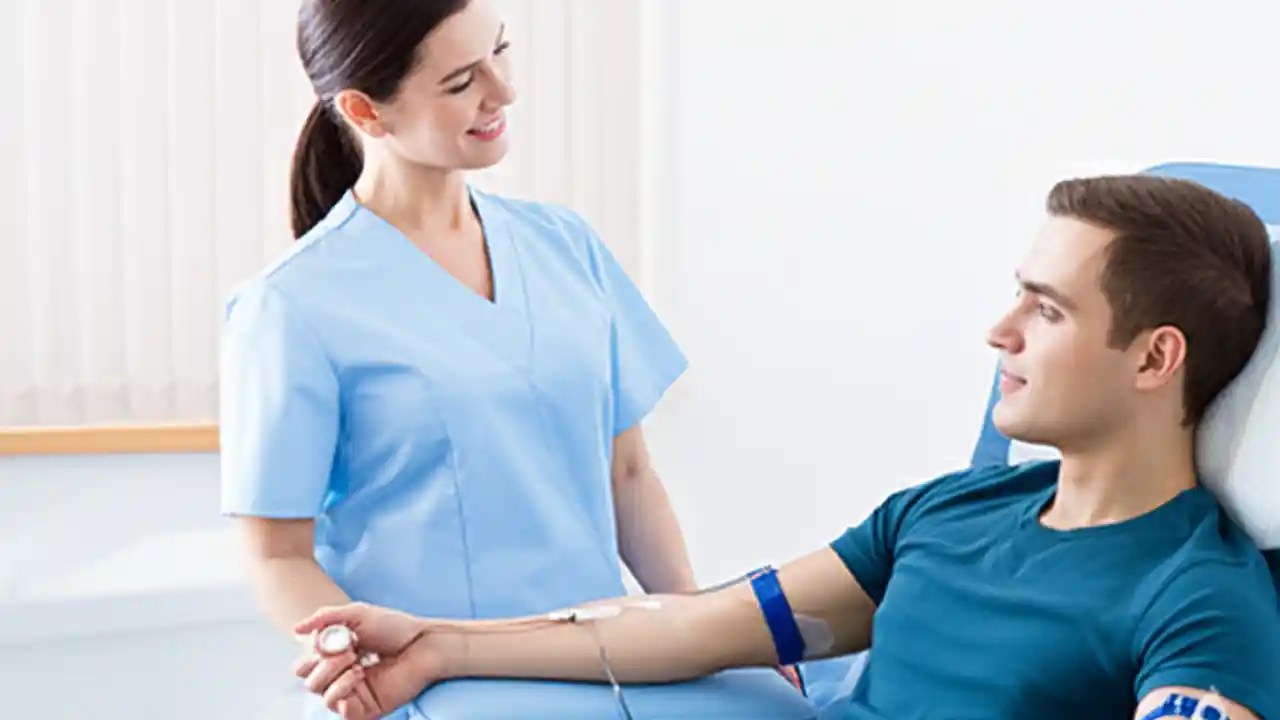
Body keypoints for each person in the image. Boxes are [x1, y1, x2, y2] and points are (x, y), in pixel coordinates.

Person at [290, 175, 1280, 719]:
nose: (997, 329)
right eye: (1014, 291)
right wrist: (436, 643)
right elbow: (698, 627)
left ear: (1154, 358)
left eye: (1047, 309)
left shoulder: (1198, 599)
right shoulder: (939, 512)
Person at [219, 1, 706, 717]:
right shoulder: (292, 306)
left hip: (613, 660)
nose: (503, 91)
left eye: (500, 52)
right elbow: (278, 553)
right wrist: (351, 657)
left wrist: (703, 632)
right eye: (460, 81)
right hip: (439, 682)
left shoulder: (563, 246)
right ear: (365, 110)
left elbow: (627, 472)